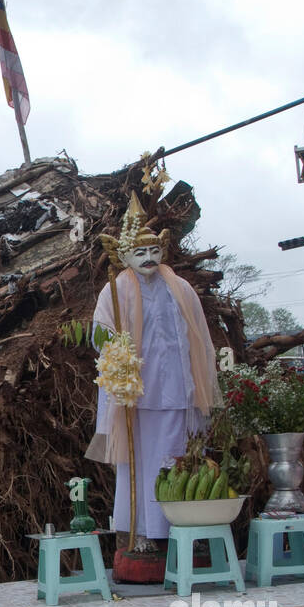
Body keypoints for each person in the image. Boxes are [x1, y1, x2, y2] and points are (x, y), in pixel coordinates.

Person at [86, 193, 220, 549]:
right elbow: (101, 338)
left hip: (180, 391)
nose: (148, 259)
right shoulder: (113, 291)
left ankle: (183, 530)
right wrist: (120, 360)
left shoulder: (183, 289)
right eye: (140, 253)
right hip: (140, 396)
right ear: (125, 256)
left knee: (179, 460)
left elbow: (200, 340)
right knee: (141, 465)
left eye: (154, 252)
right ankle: (143, 532)